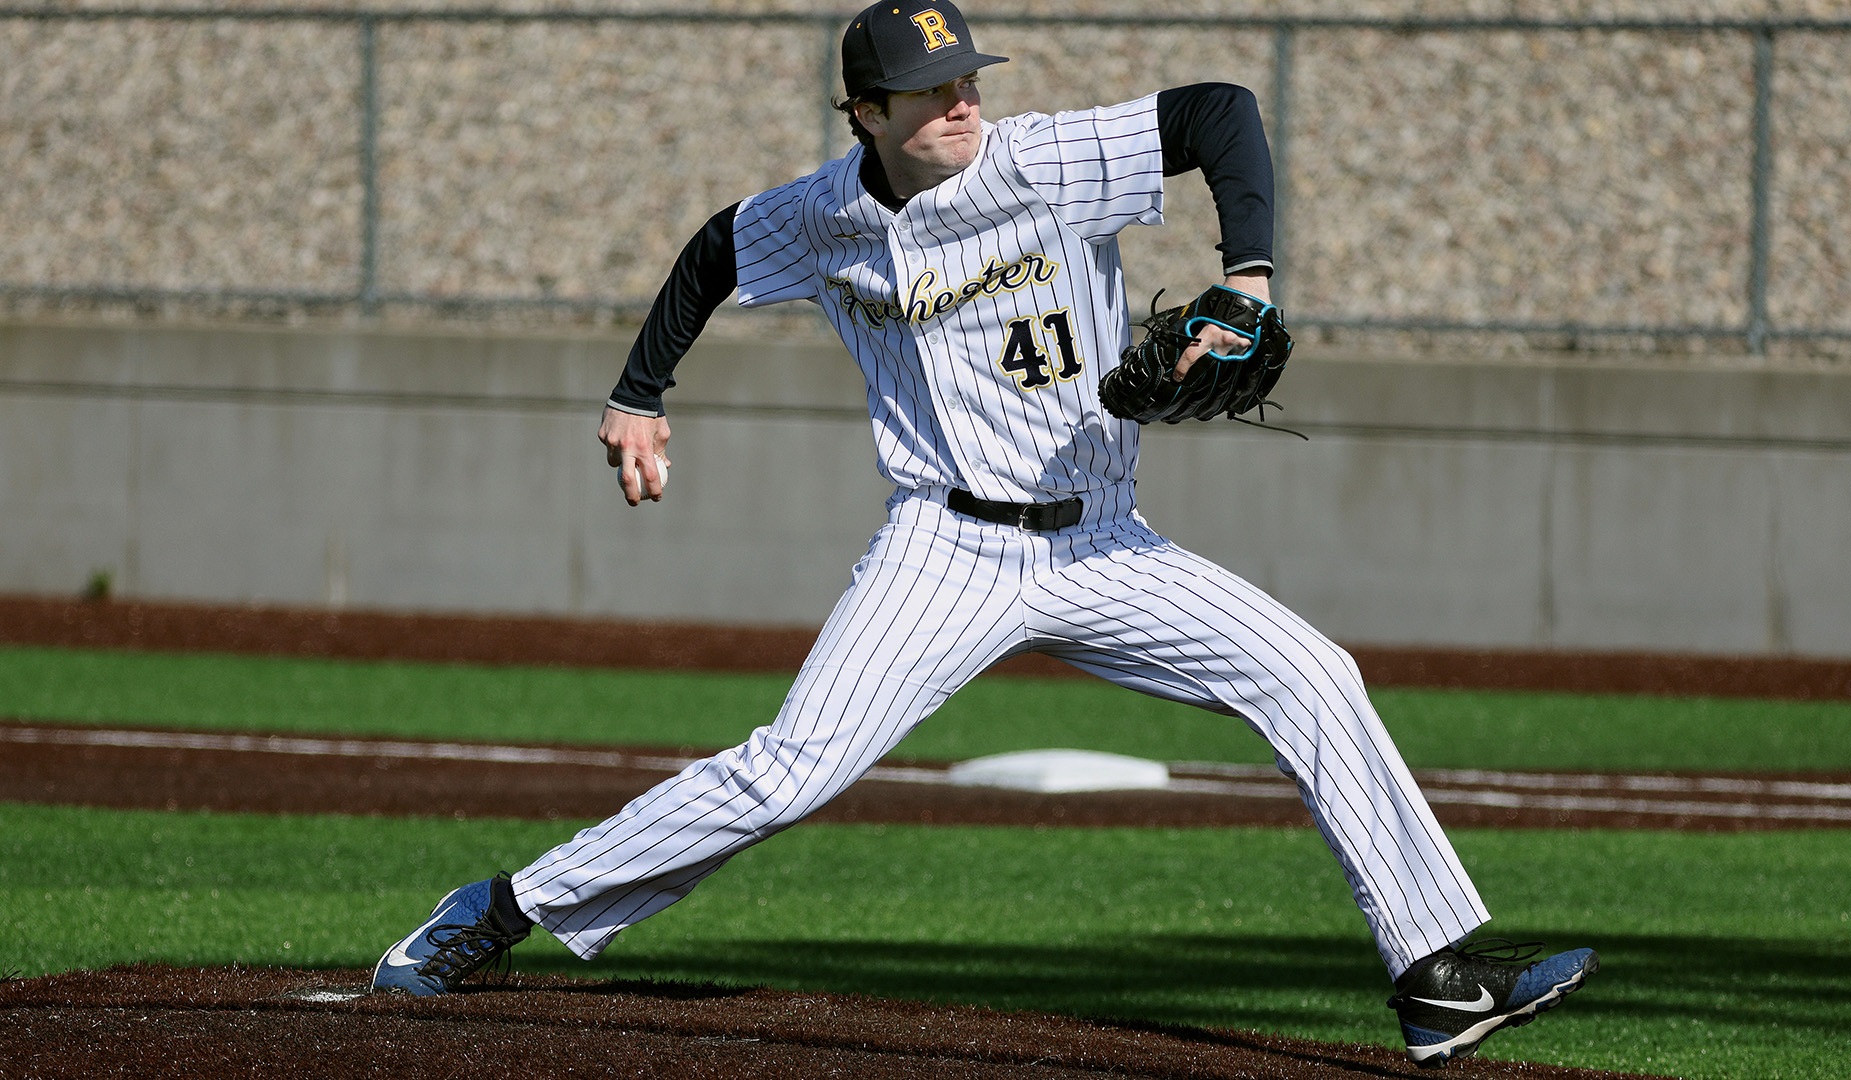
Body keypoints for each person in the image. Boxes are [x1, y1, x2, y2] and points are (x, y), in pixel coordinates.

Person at [371, 1, 1595, 1066]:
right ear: (863, 111)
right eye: (930, 89)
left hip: (1107, 543)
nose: (962, 102)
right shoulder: (819, 217)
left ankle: (1436, 977)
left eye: (969, 78)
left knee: (1314, 675)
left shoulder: (1044, 160)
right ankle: (500, 908)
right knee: (792, 772)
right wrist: (639, 396)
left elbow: (1218, 110)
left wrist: (1254, 276)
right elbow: (709, 255)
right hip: (944, 552)